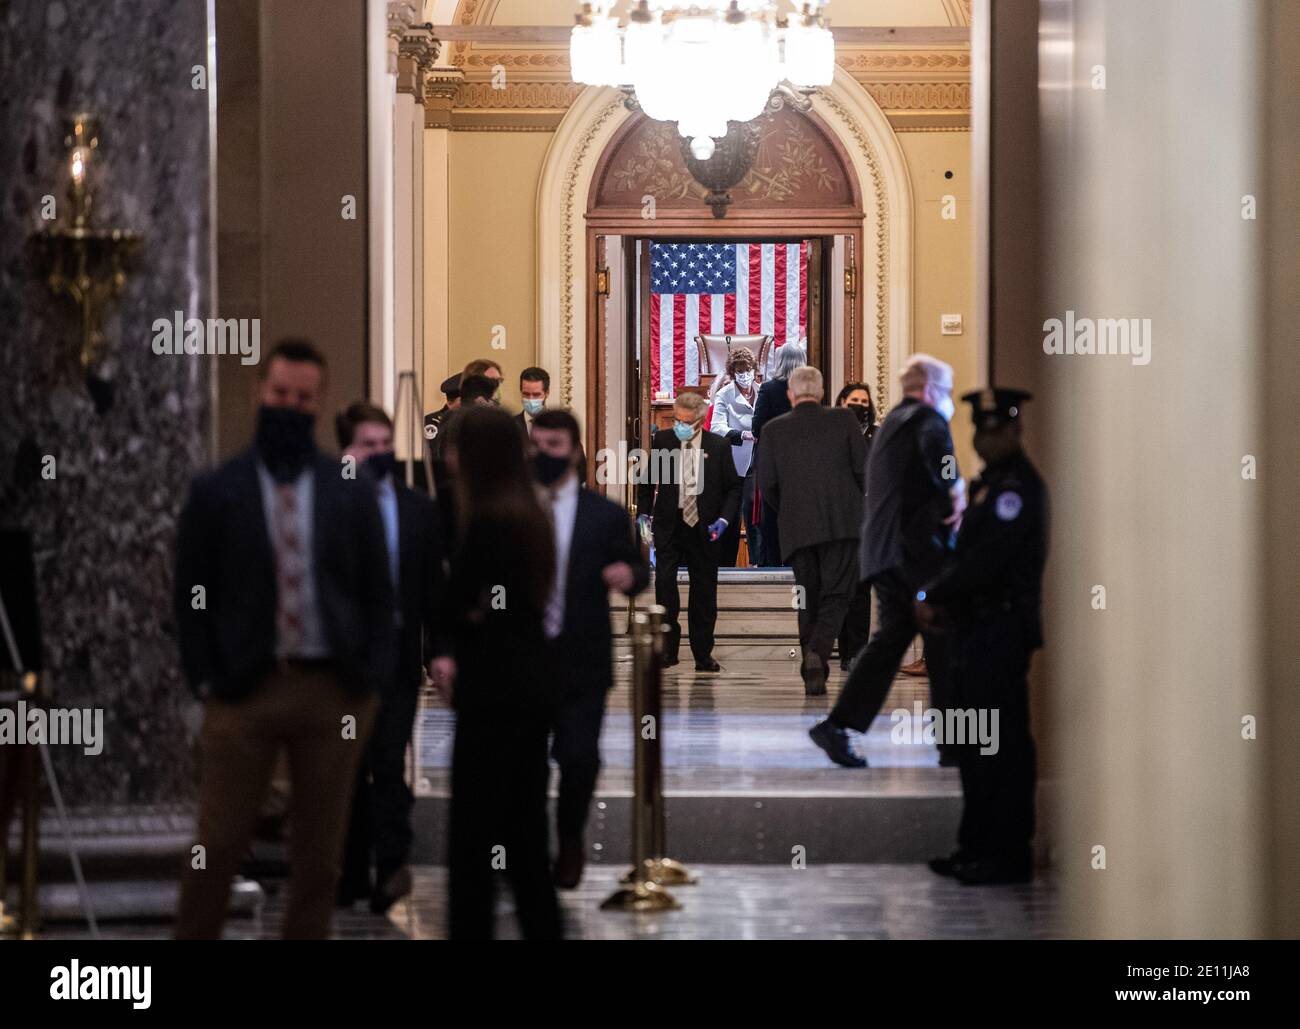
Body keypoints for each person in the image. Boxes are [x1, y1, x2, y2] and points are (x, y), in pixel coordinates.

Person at [173, 339, 395, 939]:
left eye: (302, 398)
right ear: (259, 394)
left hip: (333, 690)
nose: (289, 405)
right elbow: (189, 594)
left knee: (319, 858)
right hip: (245, 688)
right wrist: (206, 676)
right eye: (280, 394)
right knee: (217, 846)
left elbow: (379, 591)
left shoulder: (346, 489)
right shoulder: (218, 490)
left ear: (318, 403)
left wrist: (370, 678)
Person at [430, 405, 561, 939]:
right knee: (526, 835)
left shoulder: (486, 520)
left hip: (490, 692)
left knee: (473, 838)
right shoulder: (531, 513)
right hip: (530, 688)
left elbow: (454, 600)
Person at [809, 354, 963, 769]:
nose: (948, 401)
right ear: (931, 389)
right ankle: (953, 743)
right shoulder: (926, 421)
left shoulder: (895, 422)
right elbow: (945, 472)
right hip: (913, 555)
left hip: (886, 552)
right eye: (946, 392)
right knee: (942, 642)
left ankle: (839, 725)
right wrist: (959, 494)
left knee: (892, 642)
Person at [920, 388, 1046, 885]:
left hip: (1000, 631)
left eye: (994, 430)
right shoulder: (990, 485)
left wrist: (932, 594)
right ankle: (974, 846)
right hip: (975, 630)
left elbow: (985, 562)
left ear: (1013, 431)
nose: (984, 439)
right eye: (979, 429)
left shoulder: (1015, 490)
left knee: (1001, 748)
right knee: (976, 747)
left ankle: (1005, 852)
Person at [529, 409, 648, 888]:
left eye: (554, 446)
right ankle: (528, 854)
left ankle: (571, 837)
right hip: (523, 662)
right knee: (522, 768)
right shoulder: (512, 508)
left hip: (582, 660)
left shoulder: (606, 515)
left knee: (580, 758)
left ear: (574, 451)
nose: (544, 455)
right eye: (537, 445)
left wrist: (628, 577)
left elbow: (639, 572)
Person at [336, 402, 445, 914]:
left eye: (386, 444)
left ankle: (392, 862)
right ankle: (350, 872)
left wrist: (440, 653)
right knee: (345, 769)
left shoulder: (418, 508)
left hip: (398, 660)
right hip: (339, 666)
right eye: (368, 445)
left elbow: (433, 591)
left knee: (388, 760)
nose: (379, 454)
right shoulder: (325, 503)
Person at [756, 367, 866, 695]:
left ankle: (811, 656)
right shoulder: (845, 420)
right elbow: (863, 470)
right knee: (837, 594)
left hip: (797, 527)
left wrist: (790, 510)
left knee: (807, 596)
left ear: (791, 394)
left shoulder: (773, 430)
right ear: (821, 392)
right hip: (842, 524)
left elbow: (768, 485)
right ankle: (816, 653)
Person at [636, 391, 740, 671]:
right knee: (665, 588)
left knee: (704, 595)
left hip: (705, 530)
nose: (679, 425)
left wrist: (724, 520)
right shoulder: (664, 441)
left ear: (699, 422)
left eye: (685, 421)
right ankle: (668, 651)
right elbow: (647, 485)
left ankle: (703, 654)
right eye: (676, 419)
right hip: (670, 526)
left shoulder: (718, 446)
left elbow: (733, 488)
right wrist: (644, 521)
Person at [751, 342, 808, 566]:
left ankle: (772, 565)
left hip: (773, 463)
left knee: (772, 518)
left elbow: (757, 427)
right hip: (804, 462)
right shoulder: (809, 391)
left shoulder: (769, 388)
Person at [834, 382, 877, 668]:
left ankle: (858, 652)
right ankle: (842, 649)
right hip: (835, 522)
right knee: (838, 589)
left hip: (866, 522)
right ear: (841, 403)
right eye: (854, 400)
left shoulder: (878, 435)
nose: (859, 405)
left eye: (864, 401)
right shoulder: (828, 435)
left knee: (861, 591)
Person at [708, 346, 759, 567]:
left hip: (756, 463)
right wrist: (743, 435)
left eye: (748, 370)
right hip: (732, 463)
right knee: (731, 516)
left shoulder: (761, 390)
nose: (745, 375)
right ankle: (727, 565)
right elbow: (716, 427)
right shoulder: (724, 394)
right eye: (740, 371)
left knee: (755, 515)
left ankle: (758, 563)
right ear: (732, 372)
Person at [517, 366, 549, 437]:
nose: (530, 399)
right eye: (526, 394)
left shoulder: (561, 426)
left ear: (547, 393)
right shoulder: (511, 426)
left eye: (536, 394)